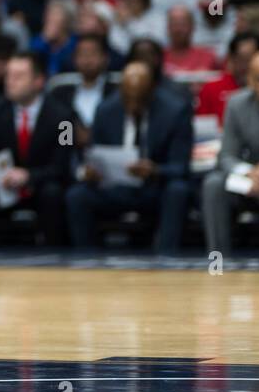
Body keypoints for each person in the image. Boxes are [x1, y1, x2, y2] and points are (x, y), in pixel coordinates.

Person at [67, 60, 193, 252]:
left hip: (154, 187)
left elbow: (182, 167)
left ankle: (168, 256)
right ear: (121, 91)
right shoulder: (105, 109)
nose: (133, 104)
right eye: (128, 97)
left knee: (178, 190)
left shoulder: (175, 111)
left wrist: (154, 170)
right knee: (77, 195)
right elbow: (92, 153)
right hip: (114, 186)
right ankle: (87, 258)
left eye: (139, 97)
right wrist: (89, 171)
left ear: (153, 89)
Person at [0, 51, 75, 245]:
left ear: (38, 81)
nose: (10, 82)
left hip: (41, 184)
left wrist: (29, 176)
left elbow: (63, 165)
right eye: (8, 75)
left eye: (18, 76)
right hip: (4, 186)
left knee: (52, 193)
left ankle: (55, 254)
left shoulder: (65, 117)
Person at [202, 48, 259, 255]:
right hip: (250, 178)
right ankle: (219, 260)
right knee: (214, 184)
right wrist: (250, 172)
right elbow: (226, 156)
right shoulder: (237, 103)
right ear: (250, 80)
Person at [49, 33, 115, 145]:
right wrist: (73, 136)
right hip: (69, 154)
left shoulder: (116, 93)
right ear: (74, 59)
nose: (87, 60)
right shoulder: (60, 94)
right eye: (82, 54)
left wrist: (93, 136)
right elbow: (61, 138)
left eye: (93, 54)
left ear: (105, 58)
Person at [197, 32, 259, 126]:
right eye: (241, 58)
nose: (246, 65)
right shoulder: (210, 89)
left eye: (250, 59)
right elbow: (201, 128)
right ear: (231, 58)